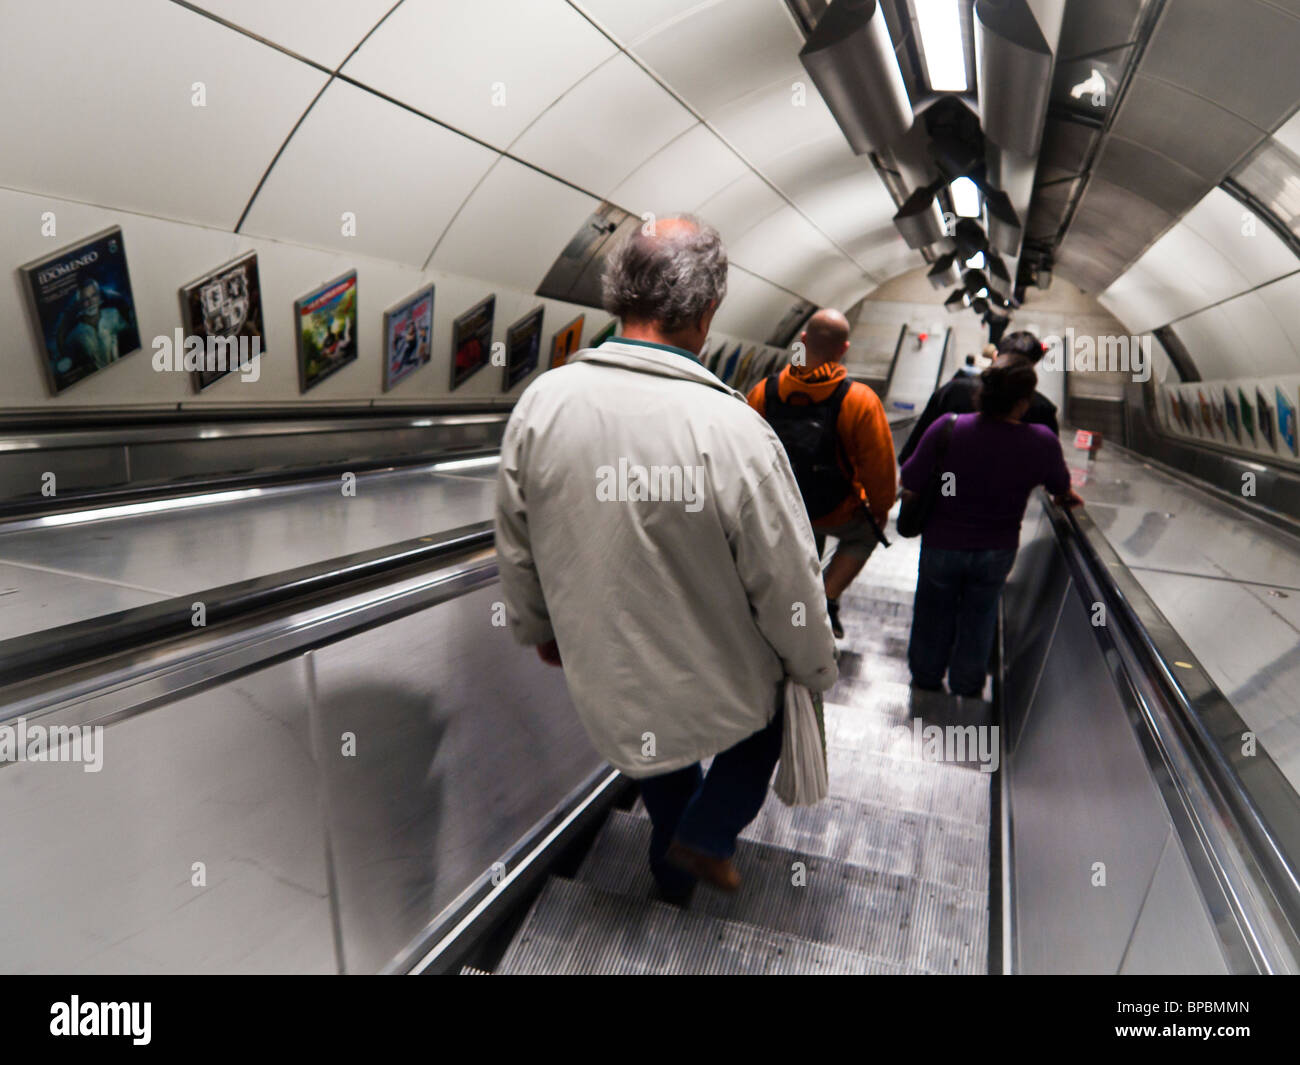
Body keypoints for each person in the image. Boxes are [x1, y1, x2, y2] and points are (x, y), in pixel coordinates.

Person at [495, 216, 837, 902]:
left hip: (611, 656)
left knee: (652, 739)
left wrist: (540, 628)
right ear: (708, 311)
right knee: (764, 716)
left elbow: (517, 532)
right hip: (717, 659)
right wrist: (814, 661)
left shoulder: (542, 402)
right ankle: (703, 839)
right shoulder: (735, 429)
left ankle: (673, 867)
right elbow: (785, 577)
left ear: (619, 295)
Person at [900, 357, 1082, 697]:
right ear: (1024, 400)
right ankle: (967, 685)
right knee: (980, 616)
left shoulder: (948, 427)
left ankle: (925, 678)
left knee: (933, 611)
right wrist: (1067, 497)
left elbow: (910, 477)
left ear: (983, 392)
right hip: (997, 548)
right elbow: (1060, 487)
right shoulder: (1042, 440)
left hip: (943, 541)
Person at [747, 309, 896, 640]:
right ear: (843, 349)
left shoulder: (764, 392)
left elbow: (746, 454)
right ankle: (826, 599)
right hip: (836, 509)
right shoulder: (859, 400)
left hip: (784, 507)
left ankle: (792, 608)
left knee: (804, 539)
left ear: (802, 341)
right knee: (864, 535)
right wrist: (881, 509)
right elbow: (879, 468)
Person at [897, 330, 1059, 465]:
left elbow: (911, 454)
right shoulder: (1043, 410)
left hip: (946, 491)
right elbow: (1050, 474)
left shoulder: (954, 391)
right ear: (1035, 364)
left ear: (996, 356)